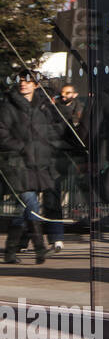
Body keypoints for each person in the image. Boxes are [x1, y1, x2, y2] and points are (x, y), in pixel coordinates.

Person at [0, 73, 59, 264]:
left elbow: (52, 131)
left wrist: (51, 149)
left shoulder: (42, 107)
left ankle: (10, 250)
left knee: (23, 208)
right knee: (31, 204)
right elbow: (2, 134)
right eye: (21, 82)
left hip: (38, 164)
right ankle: (40, 248)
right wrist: (21, 147)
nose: (24, 85)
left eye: (28, 82)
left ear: (35, 85)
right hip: (17, 163)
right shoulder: (8, 107)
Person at [44, 83, 87, 252]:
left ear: (75, 94)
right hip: (58, 156)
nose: (64, 96)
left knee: (82, 189)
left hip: (75, 157)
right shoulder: (54, 110)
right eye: (63, 93)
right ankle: (56, 237)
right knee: (52, 194)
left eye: (68, 93)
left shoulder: (81, 110)